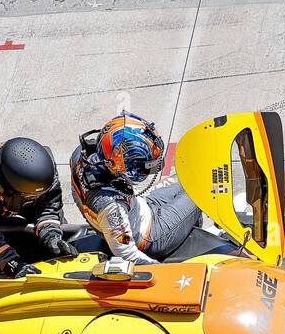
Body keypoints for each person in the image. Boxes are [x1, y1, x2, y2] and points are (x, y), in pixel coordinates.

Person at [69, 113, 200, 264]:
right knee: (200, 191)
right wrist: (161, 271)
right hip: (151, 235)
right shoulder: (111, 206)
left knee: (191, 177)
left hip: (141, 207)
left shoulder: (81, 155)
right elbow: (126, 253)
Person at [0, 137, 73, 277]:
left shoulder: (46, 169)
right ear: (2, 186)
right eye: (29, 195)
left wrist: (51, 235)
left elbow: (50, 206)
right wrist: (11, 263)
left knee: (59, 242)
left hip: (23, 205)